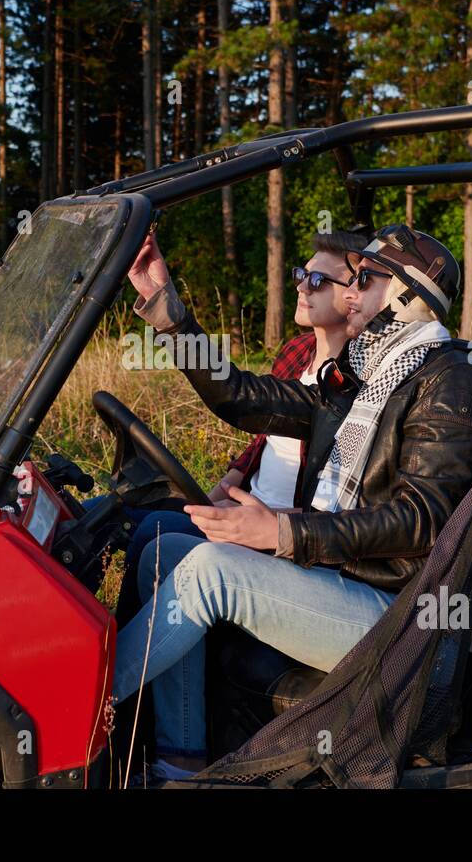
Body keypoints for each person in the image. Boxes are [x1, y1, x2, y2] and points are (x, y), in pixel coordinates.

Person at [112, 224, 472, 782]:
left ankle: (74, 714)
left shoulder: (451, 386)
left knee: (207, 569)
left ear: (408, 296)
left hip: (402, 621)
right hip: (349, 582)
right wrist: (171, 315)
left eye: (365, 279)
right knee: (166, 552)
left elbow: (423, 523)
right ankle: (180, 759)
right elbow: (244, 398)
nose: (349, 292)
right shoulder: (367, 378)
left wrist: (285, 533)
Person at [113, 232, 362, 624]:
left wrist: (269, 520)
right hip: (243, 511)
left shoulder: (358, 383)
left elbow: (346, 505)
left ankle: (118, 673)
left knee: (155, 534)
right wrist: (219, 492)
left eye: (317, 281)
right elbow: (265, 431)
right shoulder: (296, 353)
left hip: (287, 537)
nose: (300, 286)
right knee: (121, 510)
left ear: (357, 295)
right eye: (301, 274)